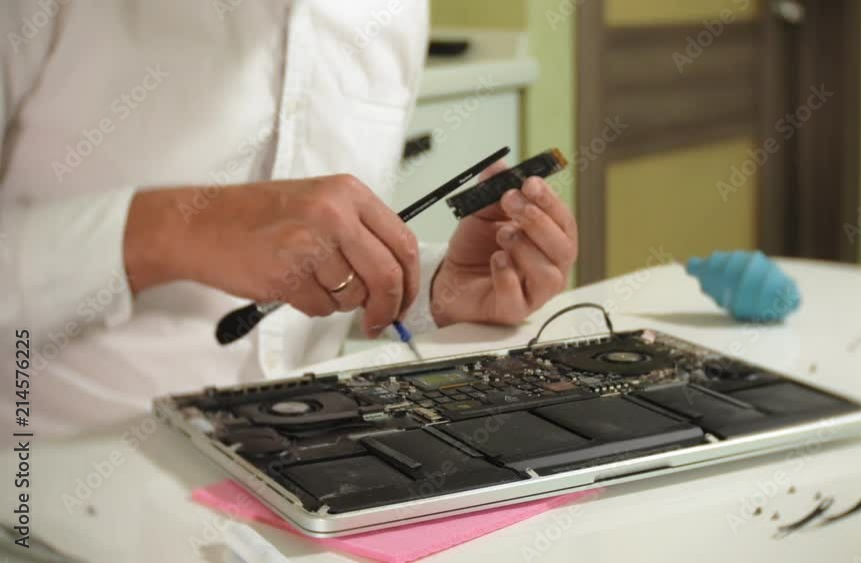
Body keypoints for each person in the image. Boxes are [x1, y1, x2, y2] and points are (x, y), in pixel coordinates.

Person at [0, 0, 577, 433]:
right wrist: (167, 232)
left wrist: (435, 292)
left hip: (305, 461)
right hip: (44, 481)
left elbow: (309, 281)